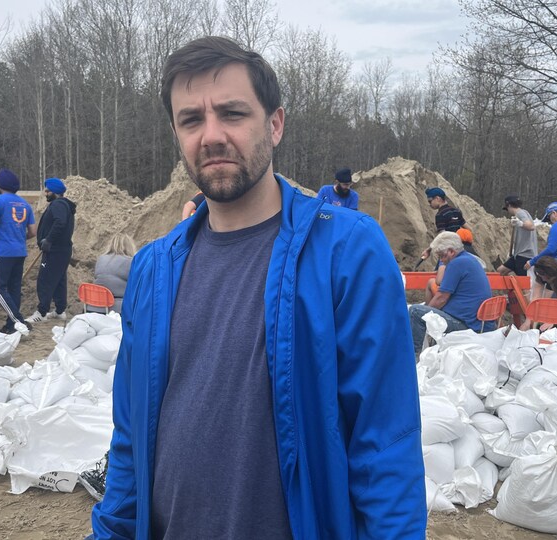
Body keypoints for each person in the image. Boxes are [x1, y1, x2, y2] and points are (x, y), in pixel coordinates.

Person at [90, 36, 425, 539]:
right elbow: (130, 440)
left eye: (232, 113)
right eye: (191, 120)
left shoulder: (346, 253)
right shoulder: (153, 269)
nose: (212, 136)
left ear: (275, 123)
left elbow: (384, 443)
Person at [409, 231, 493, 352]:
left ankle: (414, 356)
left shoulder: (457, 263)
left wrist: (427, 314)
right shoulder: (469, 259)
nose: (441, 261)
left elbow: (441, 298)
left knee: (415, 311)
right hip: (476, 322)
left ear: (451, 252)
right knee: (423, 310)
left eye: (441, 256)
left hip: (467, 325)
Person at [0, 169, 36, 336]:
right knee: (13, 289)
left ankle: (18, 320)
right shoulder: (25, 204)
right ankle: (11, 326)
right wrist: (18, 238)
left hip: (2, 252)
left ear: (0, 185)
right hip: (19, 251)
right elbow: (32, 232)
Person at [26, 177, 76, 324]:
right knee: (59, 280)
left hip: (55, 250)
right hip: (62, 250)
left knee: (45, 280)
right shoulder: (64, 205)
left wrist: (49, 240)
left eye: (47, 191)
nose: (45, 193)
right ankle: (60, 311)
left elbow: (60, 223)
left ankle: (41, 312)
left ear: (55, 192)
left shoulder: (58, 205)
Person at [93, 233, 136, 312]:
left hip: (94, 305)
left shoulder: (101, 259)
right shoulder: (130, 262)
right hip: (117, 308)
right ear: (129, 246)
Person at [497, 194, 537, 276]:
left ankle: (518, 289)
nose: (508, 211)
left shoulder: (520, 213)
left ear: (509, 205)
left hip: (525, 256)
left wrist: (520, 223)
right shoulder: (524, 213)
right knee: (501, 271)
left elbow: (531, 226)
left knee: (523, 284)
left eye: (507, 208)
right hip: (518, 255)